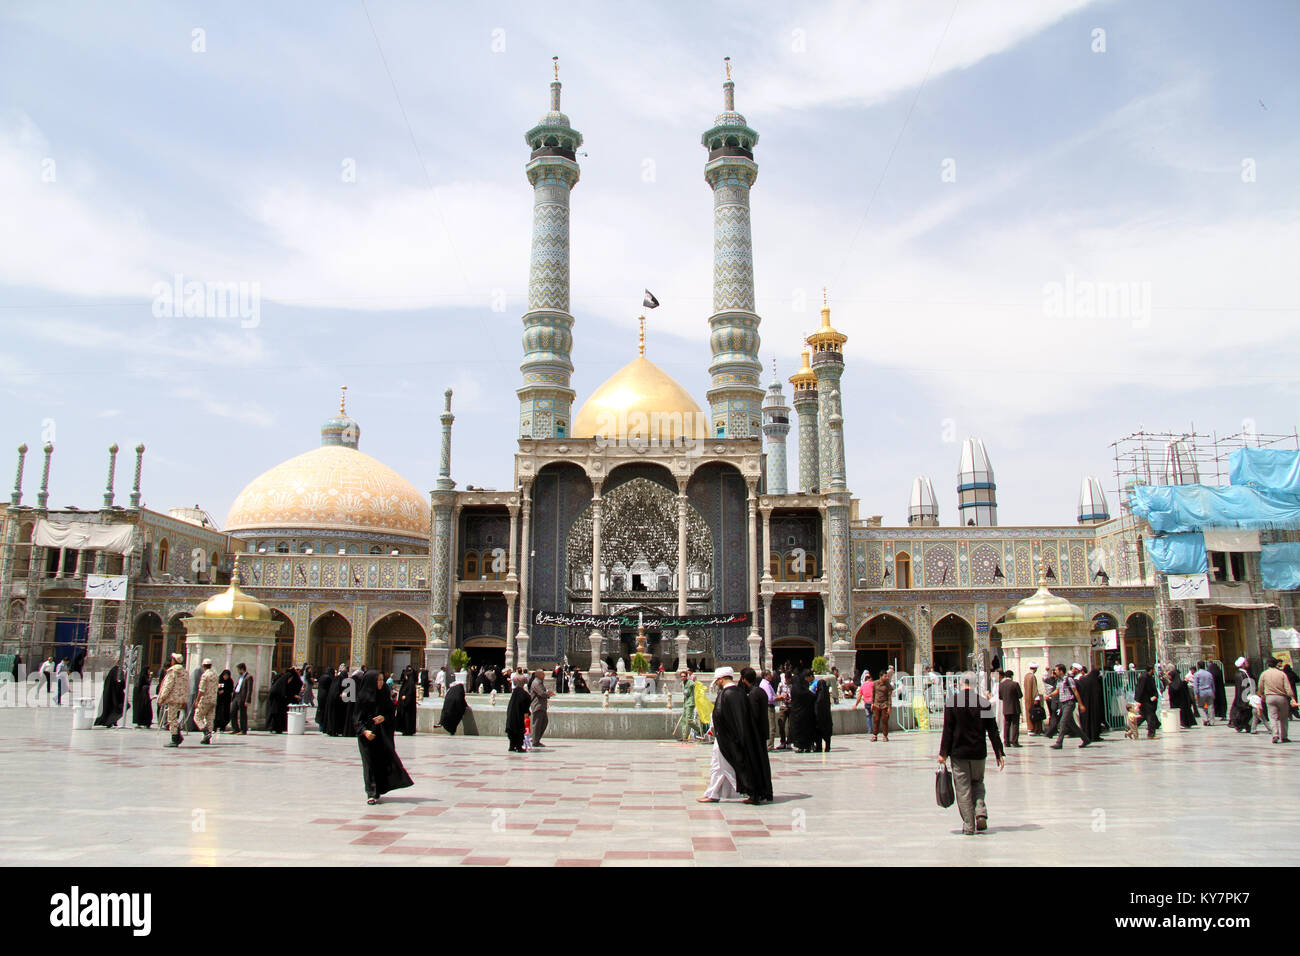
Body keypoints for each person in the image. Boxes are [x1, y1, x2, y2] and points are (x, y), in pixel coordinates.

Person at [937, 673, 1005, 836]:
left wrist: (943, 753)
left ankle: (969, 825)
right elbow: (992, 730)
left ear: (961, 683)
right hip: (978, 752)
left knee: (963, 788)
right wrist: (999, 752)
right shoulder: (983, 703)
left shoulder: (952, 703)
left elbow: (948, 730)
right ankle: (980, 812)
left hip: (959, 753)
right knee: (978, 783)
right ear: (975, 684)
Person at [353, 669, 413, 805]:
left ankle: (378, 788)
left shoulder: (384, 695)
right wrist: (364, 731)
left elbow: (391, 713)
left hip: (380, 735)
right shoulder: (363, 697)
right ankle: (371, 793)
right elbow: (356, 719)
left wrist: (384, 718)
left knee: (380, 761)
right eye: (378, 680)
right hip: (367, 736)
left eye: (381, 680)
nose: (381, 683)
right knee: (369, 763)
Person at [698, 668, 757, 803]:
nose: (717, 683)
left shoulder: (730, 693)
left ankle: (752, 791)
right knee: (718, 766)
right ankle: (713, 793)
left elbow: (735, 719)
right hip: (723, 737)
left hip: (728, 739)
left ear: (722, 679)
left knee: (728, 766)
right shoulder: (735, 693)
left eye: (717, 681)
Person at [740, 668, 774, 803]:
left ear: (744, 679)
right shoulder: (761, 692)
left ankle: (756, 794)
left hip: (755, 735)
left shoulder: (753, 694)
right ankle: (766, 792)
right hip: (761, 733)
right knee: (763, 763)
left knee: (755, 764)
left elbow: (753, 716)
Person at [1047, 664, 1089, 749]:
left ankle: (1059, 743)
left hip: (1069, 703)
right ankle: (1085, 739)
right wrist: (1049, 695)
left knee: (1063, 722)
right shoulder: (1059, 680)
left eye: (1057, 670)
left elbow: (1075, 692)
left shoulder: (1069, 679)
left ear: (1061, 671)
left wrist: (1081, 704)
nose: (1055, 672)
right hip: (1063, 704)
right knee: (1072, 724)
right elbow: (1057, 691)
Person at [1259, 658, 1297, 744]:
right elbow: (1288, 687)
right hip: (1281, 697)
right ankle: (1284, 736)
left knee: (1272, 717)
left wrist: (1262, 695)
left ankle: (1275, 734)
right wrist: (1292, 697)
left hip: (1270, 697)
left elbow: (1260, 686)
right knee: (1284, 717)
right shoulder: (1282, 674)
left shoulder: (1264, 674)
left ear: (1268, 664)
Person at [158, 653, 190, 747]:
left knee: (171, 719)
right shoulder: (184, 672)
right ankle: (178, 735)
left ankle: (175, 738)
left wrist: (162, 698)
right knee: (174, 718)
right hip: (181, 698)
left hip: (172, 699)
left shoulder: (172, 672)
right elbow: (186, 686)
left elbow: (168, 686)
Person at [192, 658, 219, 745]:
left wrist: (197, 700)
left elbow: (201, 690)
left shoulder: (205, 675)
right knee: (210, 719)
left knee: (197, 717)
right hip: (213, 699)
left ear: (203, 666)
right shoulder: (215, 675)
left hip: (205, 700)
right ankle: (208, 737)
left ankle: (205, 732)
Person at [788, 669, 816, 752]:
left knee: (798, 731)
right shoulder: (802, 690)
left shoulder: (794, 688)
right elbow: (811, 697)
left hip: (796, 714)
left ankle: (799, 746)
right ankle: (805, 746)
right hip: (804, 715)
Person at [92, 662, 126, 727]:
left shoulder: (114, 670)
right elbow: (121, 684)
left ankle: (111, 721)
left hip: (110, 693)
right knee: (118, 707)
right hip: (115, 694)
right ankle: (110, 721)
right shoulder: (118, 671)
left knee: (111, 708)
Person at [1229, 657, 1256, 734]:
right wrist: (1246, 697)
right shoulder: (1240, 674)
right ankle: (1240, 725)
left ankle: (1245, 725)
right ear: (1243, 664)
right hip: (1244, 696)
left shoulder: (1245, 673)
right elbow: (1243, 687)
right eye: (1246, 662)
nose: (1248, 663)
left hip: (1247, 695)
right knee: (1244, 712)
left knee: (1247, 712)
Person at [505, 672, 530, 753]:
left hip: (511, 716)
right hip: (518, 718)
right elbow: (526, 710)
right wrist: (527, 713)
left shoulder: (514, 694)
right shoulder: (525, 695)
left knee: (511, 730)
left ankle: (512, 746)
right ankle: (519, 747)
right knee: (519, 730)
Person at [1134, 664, 1161, 738]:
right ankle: (1151, 734)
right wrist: (1138, 700)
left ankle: (1130, 728)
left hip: (1147, 700)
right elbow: (1141, 689)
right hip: (1145, 701)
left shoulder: (1147, 676)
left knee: (1143, 716)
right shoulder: (1144, 677)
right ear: (1151, 669)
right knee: (1150, 717)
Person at [529, 668, 553, 748]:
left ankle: (536, 739)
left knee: (544, 722)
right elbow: (541, 693)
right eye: (543, 674)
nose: (544, 675)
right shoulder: (536, 683)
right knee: (537, 724)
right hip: (538, 706)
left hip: (541, 706)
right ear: (539, 675)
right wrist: (549, 694)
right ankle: (535, 741)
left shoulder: (539, 682)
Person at [999, 669, 1023, 747]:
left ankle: (1006, 742)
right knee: (1015, 724)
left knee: (1006, 724)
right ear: (1011, 676)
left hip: (1006, 708)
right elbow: (1020, 695)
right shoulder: (1015, 684)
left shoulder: (1001, 685)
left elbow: (1000, 697)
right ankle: (1015, 741)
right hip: (1015, 708)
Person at [812, 671, 833, 753]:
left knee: (818, 733)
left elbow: (816, 707)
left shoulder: (818, 696)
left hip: (819, 720)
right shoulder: (827, 697)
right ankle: (827, 747)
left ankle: (819, 747)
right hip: (827, 719)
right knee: (827, 734)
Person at [871, 667, 893, 742]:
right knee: (876, 720)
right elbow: (873, 694)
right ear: (881, 676)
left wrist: (889, 707)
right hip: (877, 704)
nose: (886, 678)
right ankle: (875, 735)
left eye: (887, 676)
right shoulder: (875, 683)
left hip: (885, 704)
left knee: (884, 720)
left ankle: (885, 736)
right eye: (885, 676)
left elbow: (889, 696)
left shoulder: (888, 685)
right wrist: (872, 703)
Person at [230, 662, 253, 735]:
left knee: (242, 714)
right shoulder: (240, 677)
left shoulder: (248, 677)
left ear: (242, 669)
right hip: (236, 696)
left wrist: (247, 700)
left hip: (242, 697)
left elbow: (249, 689)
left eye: (238, 670)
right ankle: (235, 728)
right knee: (232, 711)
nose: (238, 671)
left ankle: (243, 730)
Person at [395, 666, 418, 736]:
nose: (405, 677)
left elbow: (410, 695)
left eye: (406, 675)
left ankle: (408, 730)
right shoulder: (406, 684)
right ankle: (404, 729)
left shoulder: (410, 685)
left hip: (407, 707)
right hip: (404, 706)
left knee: (407, 718)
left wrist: (405, 697)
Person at [758, 669, 778, 750]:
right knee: (771, 726)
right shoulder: (765, 684)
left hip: (768, 706)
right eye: (770, 674)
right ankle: (769, 746)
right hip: (769, 707)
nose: (771, 676)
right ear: (766, 676)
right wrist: (778, 698)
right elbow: (769, 698)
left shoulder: (766, 683)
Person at [1192, 661, 1216, 726]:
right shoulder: (1209, 674)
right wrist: (1213, 692)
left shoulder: (1197, 674)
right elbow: (1212, 684)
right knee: (1211, 707)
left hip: (1201, 692)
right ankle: (1212, 721)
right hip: (1209, 692)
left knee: (1200, 706)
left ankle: (1205, 719)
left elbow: (1196, 685)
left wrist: (1196, 694)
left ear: (1198, 666)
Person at [852, 670, 874, 736]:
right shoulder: (872, 684)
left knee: (868, 717)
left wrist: (855, 705)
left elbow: (859, 697)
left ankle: (870, 730)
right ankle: (875, 729)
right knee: (875, 716)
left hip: (866, 704)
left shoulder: (863, 686)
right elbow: (875, 694)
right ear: (870, 678)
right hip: (872, 703)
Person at [1023, 664, 1043, 735]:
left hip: (1027, 698)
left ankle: (1029, 728)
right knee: (1034, 713)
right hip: (1032, 698)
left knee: (1028, 713)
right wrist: (1036, 698)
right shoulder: (1032, 676)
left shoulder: (1026, 676)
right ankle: (1034, 729)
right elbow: (1034, 689)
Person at [314, 668, 334, 733]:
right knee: (324, 712)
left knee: (320, 711)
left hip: (320, 695)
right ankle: (323, 727)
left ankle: (320, 727)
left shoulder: (322, 676)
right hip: (325, 696)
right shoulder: (328, 678)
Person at [214, 668, 234, 733]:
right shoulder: (219, 680)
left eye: (227, 676)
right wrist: (218, 691)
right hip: (219, 700)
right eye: (224, 675)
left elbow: (231, 690)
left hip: (226, 700)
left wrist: (224, 691)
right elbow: (215, 687)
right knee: (217, 713)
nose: (225, 677)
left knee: (225, 714)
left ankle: (222, 727)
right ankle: (215, 727)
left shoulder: (230, 682)